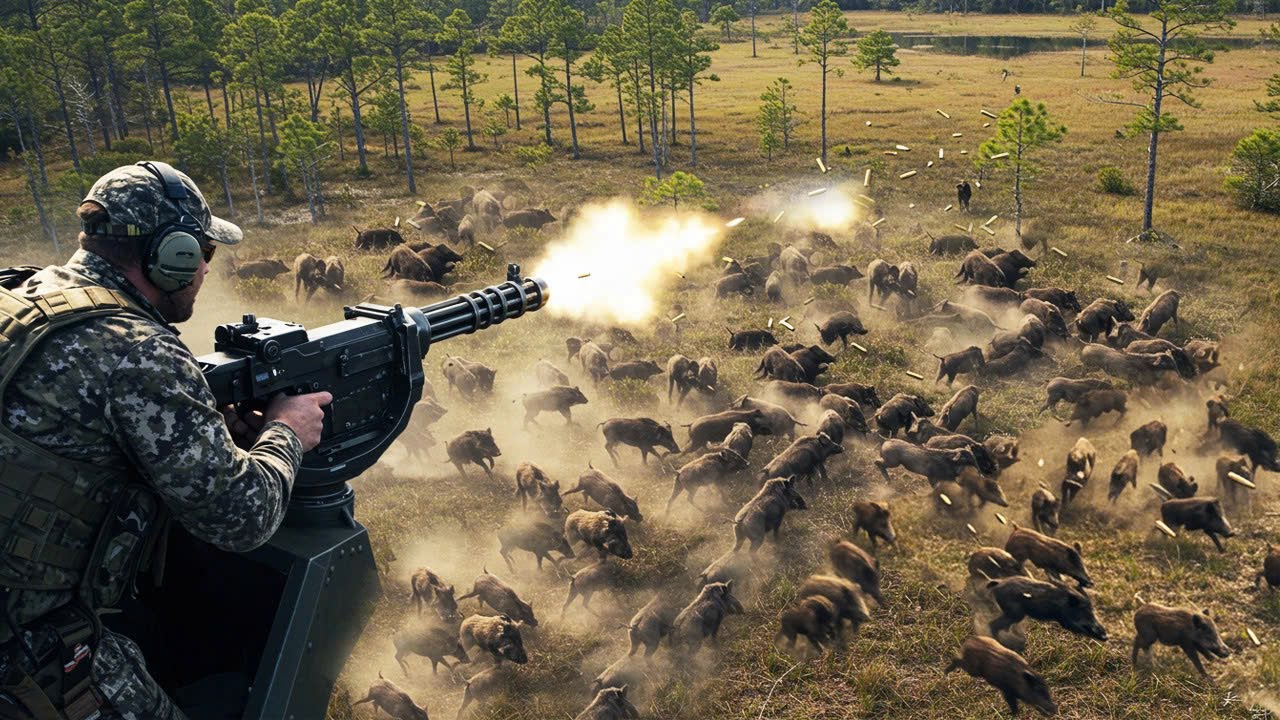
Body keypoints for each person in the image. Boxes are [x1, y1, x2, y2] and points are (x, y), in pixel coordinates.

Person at [0, 161, 332, 719]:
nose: (206, 267)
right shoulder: (139, 349)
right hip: (24, 640)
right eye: (203, 251)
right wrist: (286, 432)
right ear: (170, 256)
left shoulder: (18, 295)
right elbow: (241, 519)